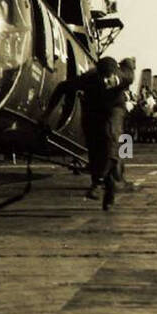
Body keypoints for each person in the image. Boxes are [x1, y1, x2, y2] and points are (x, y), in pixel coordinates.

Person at [44, 56, 123, 207]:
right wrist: (47, 114)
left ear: (115, 75)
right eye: (103, 77)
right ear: (98, 74)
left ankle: (98, 184)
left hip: (114, 109)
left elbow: (128, 73)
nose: (106, 81)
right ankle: (108, 185)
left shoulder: (123, 78)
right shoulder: (89, 79)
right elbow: (62, 87)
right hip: (93, 113)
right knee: (94, 152)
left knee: (110, 145)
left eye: (109, 78)